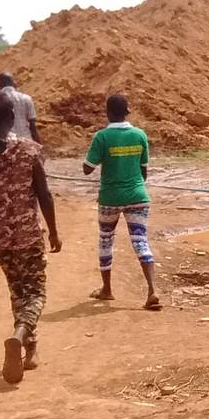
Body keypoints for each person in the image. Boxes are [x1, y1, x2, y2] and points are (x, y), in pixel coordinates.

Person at [0, 90, 62, 384]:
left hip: (1, 239)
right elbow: (44, 194)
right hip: (29, 236)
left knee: (18, 292)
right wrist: (54, 231)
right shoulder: (30, 150)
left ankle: (29, 351)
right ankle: (20, 334)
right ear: (12, 117)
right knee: (36, 293)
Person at [83, 93, 160, 310]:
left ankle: (107, 289)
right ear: (127, 112)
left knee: (106, 240)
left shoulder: (101, 137)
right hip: (138, 195)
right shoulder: (140, 135)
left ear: (107, 113)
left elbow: (87, 168)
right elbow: (143, 172)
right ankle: (152, 290)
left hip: (110, 198)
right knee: (140, 240)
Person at [0, 72, 40, 143]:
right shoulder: (26, 98)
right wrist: (38, 144)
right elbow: (32, 126)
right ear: (13, 83)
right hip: (27, 142)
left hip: (8, 144)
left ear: (0, 84)